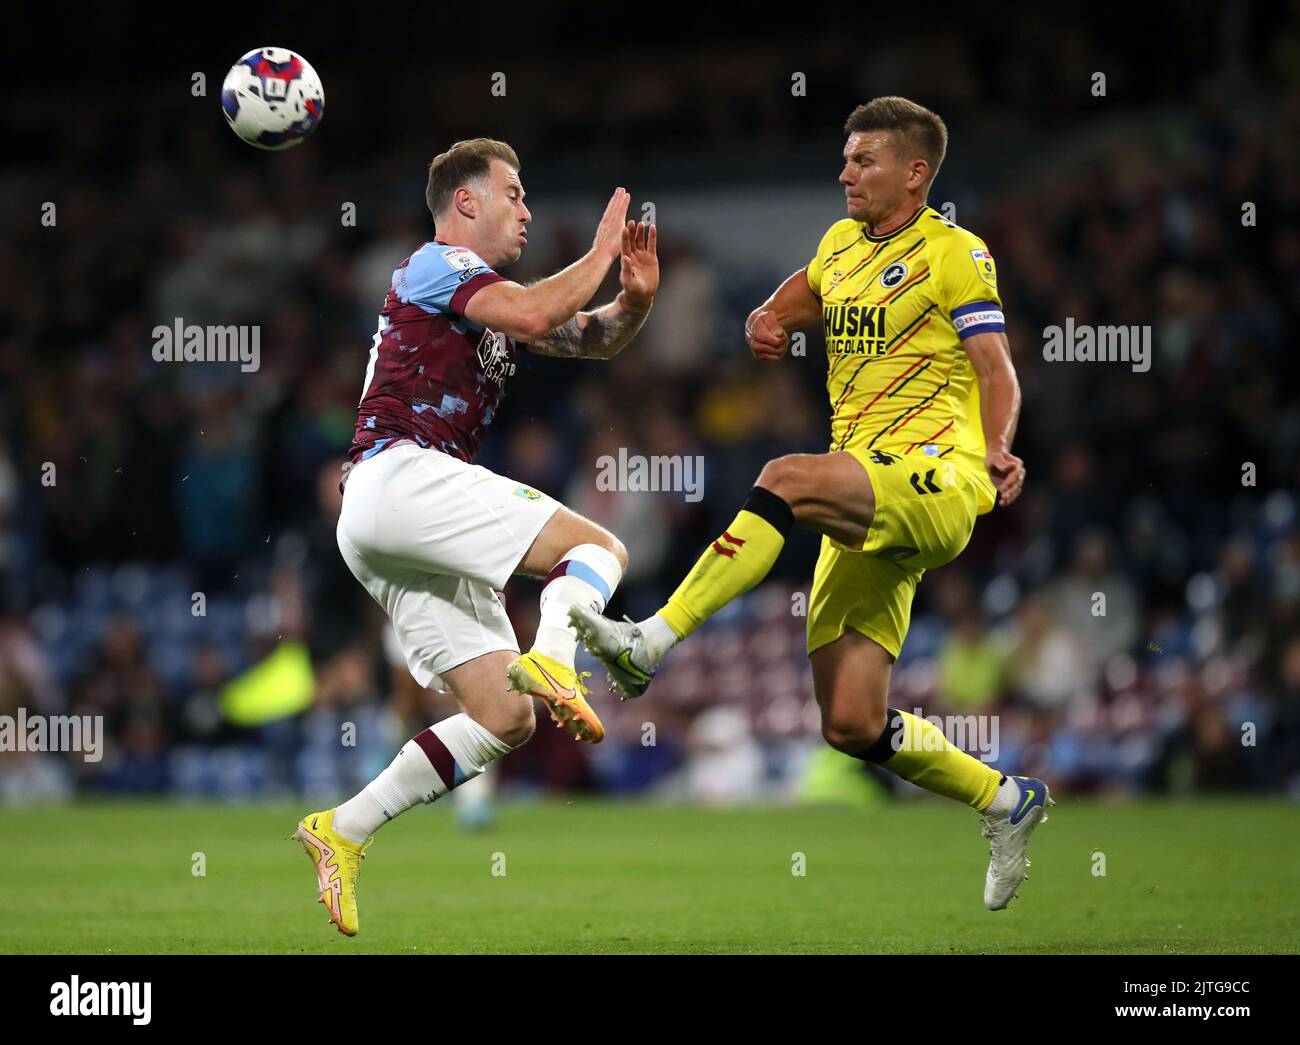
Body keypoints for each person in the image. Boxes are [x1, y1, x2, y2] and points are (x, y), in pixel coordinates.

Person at [572, 98, 1051, 911]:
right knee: (853, 724)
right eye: (844, 156)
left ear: (914, 173)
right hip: (867, 495)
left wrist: (1000, 442)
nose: (844, 172)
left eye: (863, 160)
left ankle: (648, 642)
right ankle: (1008, 801)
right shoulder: (839, 244)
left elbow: (996, 367)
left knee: (787, 475)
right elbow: (809, 289)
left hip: (939, 476)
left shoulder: (955, 253)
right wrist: (767, 317)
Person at [294, 138, 659, 936]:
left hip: (389, 522)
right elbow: (537, 310)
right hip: (400, 476)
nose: (527, 211)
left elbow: (585, 336)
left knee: (503, 718)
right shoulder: (433, 265)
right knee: (598, 549)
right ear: (467, 203)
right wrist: (598, 250)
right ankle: (558, 662)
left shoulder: (485, 301)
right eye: (515, 194)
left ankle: (341, 829)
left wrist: (631, 300)